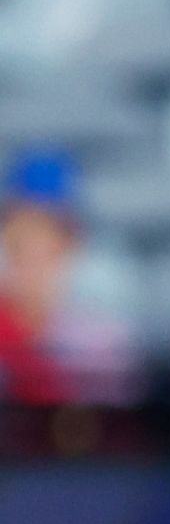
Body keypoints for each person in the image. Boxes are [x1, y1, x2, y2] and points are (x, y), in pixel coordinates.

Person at [0, 150, 139, 406]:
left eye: (51, 236)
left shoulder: (102, 340)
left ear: (72, 242)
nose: (35, 250)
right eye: (20, 239)